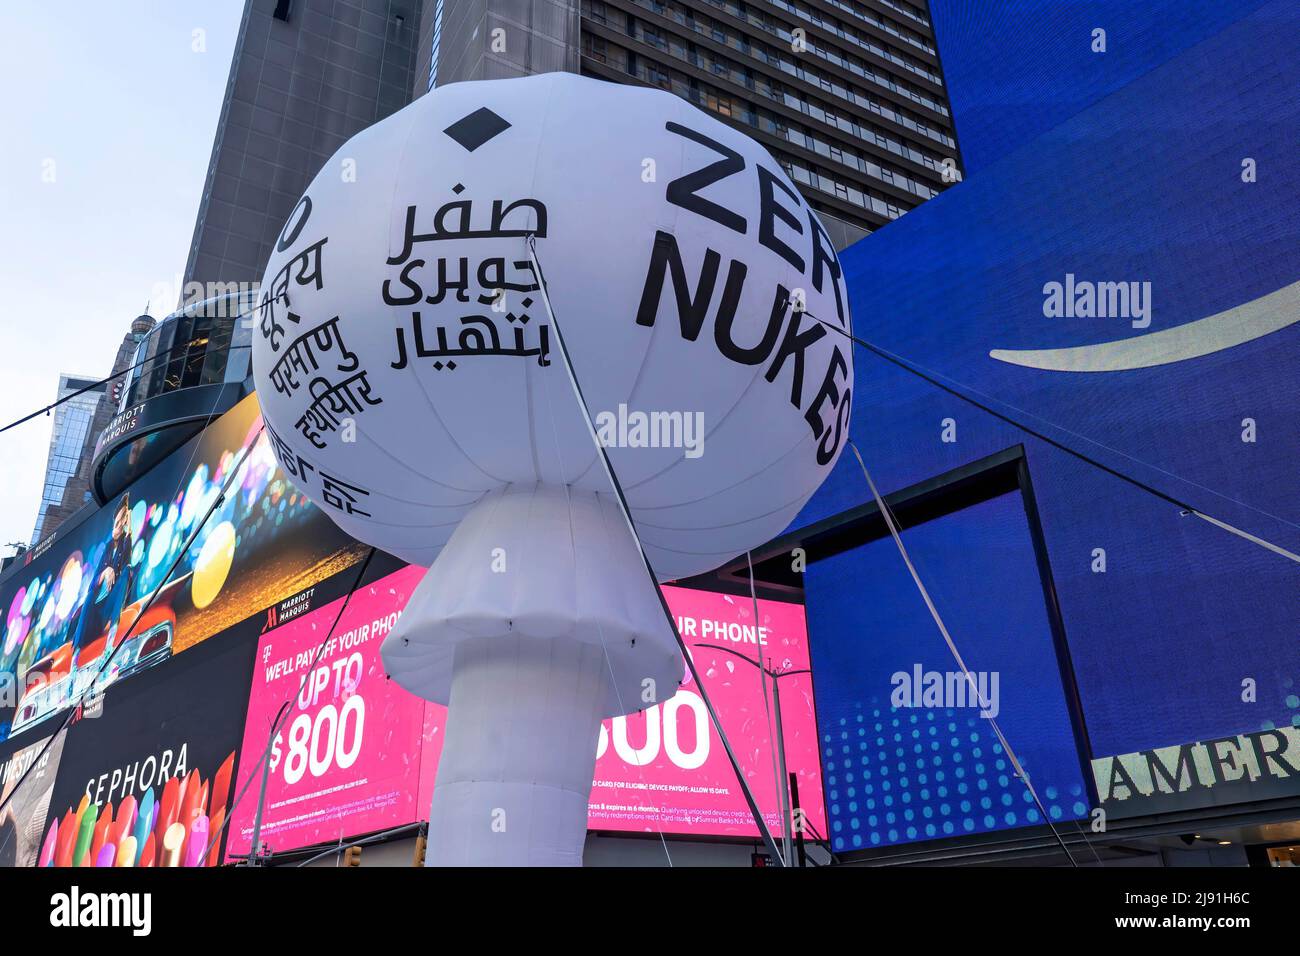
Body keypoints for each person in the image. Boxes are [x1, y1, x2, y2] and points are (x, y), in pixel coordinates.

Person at [70, 495, 135, 676]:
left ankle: (109, 648)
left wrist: (129, 532)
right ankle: (73, 667)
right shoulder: (107, 547)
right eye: (119, 517)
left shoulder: (124, 544)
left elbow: (128, 562)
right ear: (114, 519)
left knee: (126, 572)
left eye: (124, 519)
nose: (121, 522)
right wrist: (106, 572)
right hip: (93, 615)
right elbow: (92, 585)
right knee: (90, 595)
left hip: (108, 610)